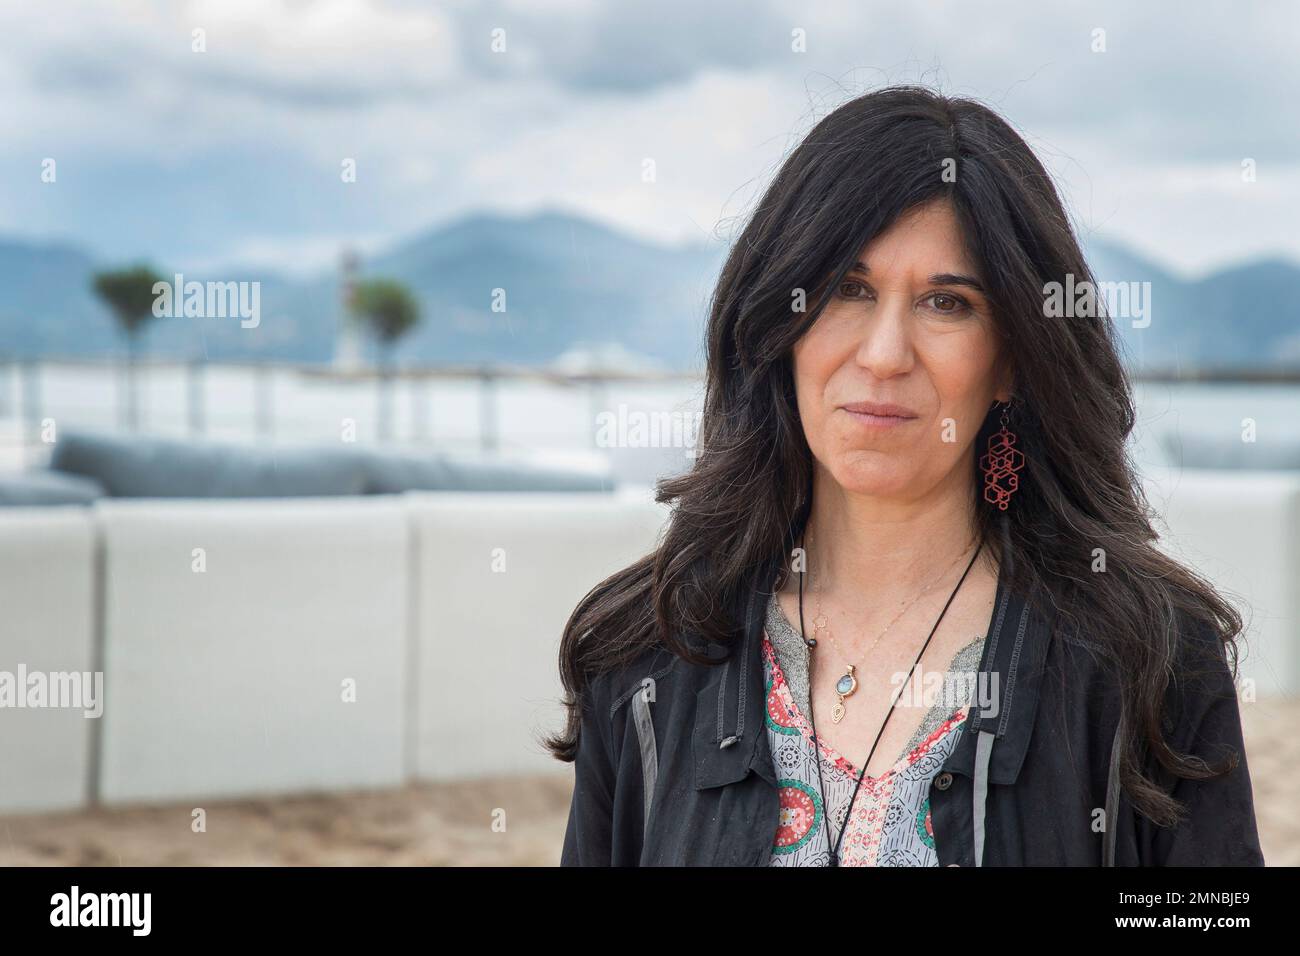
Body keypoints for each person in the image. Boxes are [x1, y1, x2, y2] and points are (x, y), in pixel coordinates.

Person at [547, 85, 1264, 867]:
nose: (885, 354)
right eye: (849, 291)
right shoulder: (645, 656)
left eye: (946, 303)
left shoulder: (1151, 662)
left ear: (1011, 362)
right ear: (781, 327)